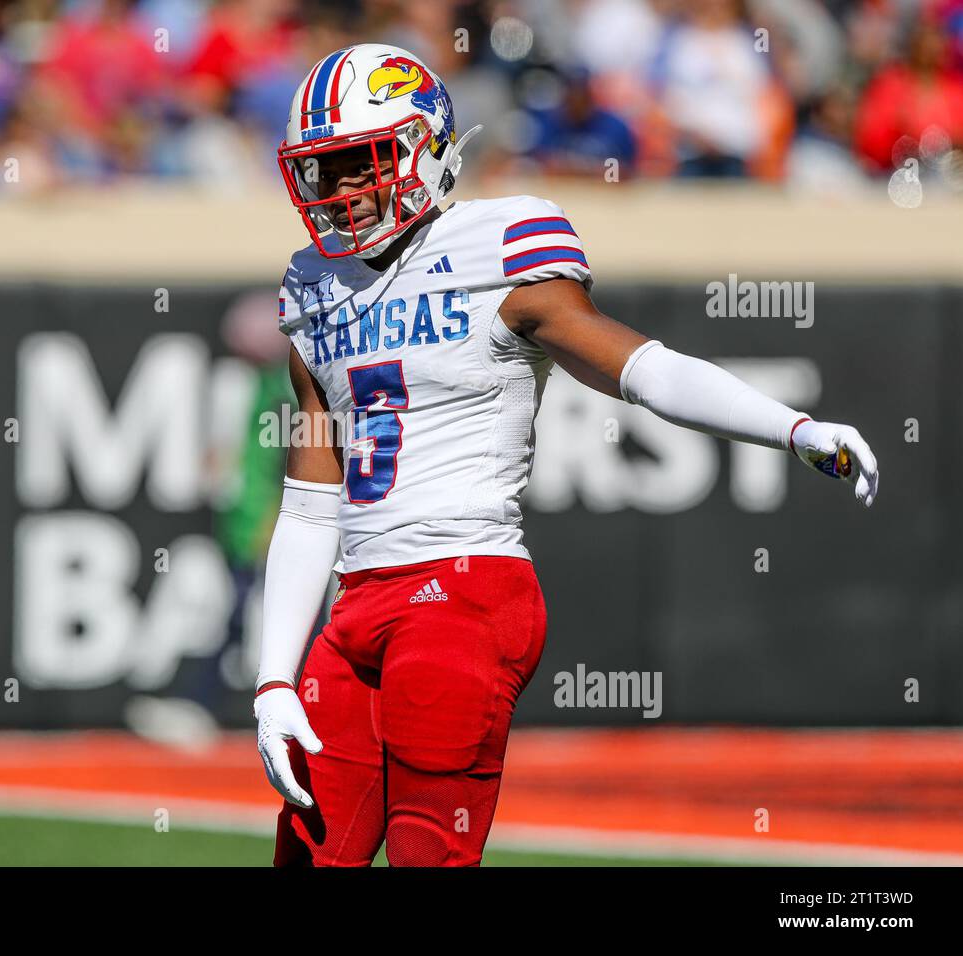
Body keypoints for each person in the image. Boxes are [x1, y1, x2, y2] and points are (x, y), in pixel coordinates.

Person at [253, 43, 880, 867]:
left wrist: (791, 428)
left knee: (426, 857)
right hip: (355, 608)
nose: (338, 192)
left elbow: (645, 370)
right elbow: (310, 501)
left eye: (357, 163)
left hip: (463, 596)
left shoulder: (498, 246)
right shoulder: (312, 286)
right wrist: (272, 679)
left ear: (423, 147)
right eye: (321, 172)